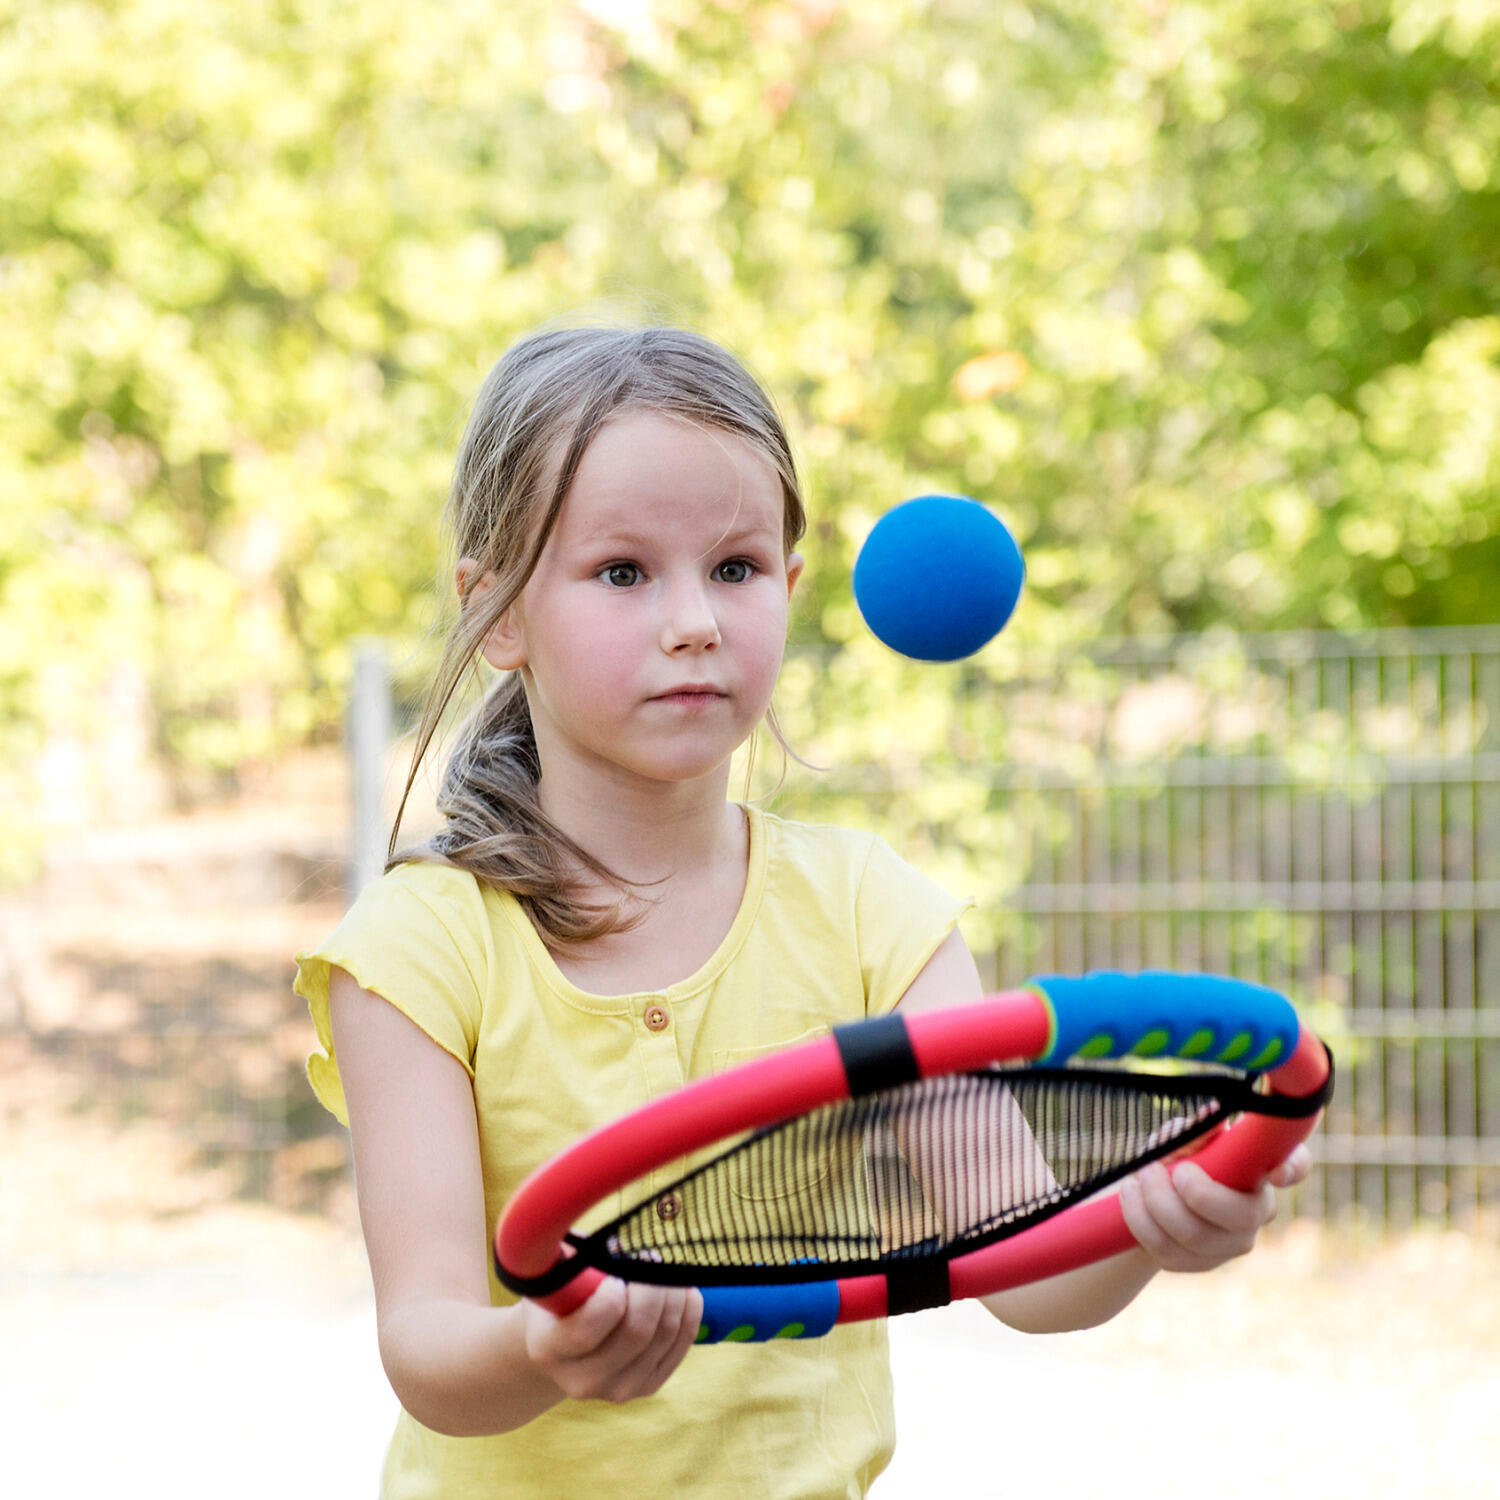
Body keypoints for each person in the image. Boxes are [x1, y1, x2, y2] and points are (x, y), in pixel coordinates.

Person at [296, 324, 1309, 1499]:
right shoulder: (418, 947)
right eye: (623, 572)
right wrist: (543, 1345)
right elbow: (424, 1348)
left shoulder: (873, 911)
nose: (696, 622)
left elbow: (1024, 1268)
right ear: (500, 613)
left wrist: (1149, 1221)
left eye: (735, 569)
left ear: (788, 584)